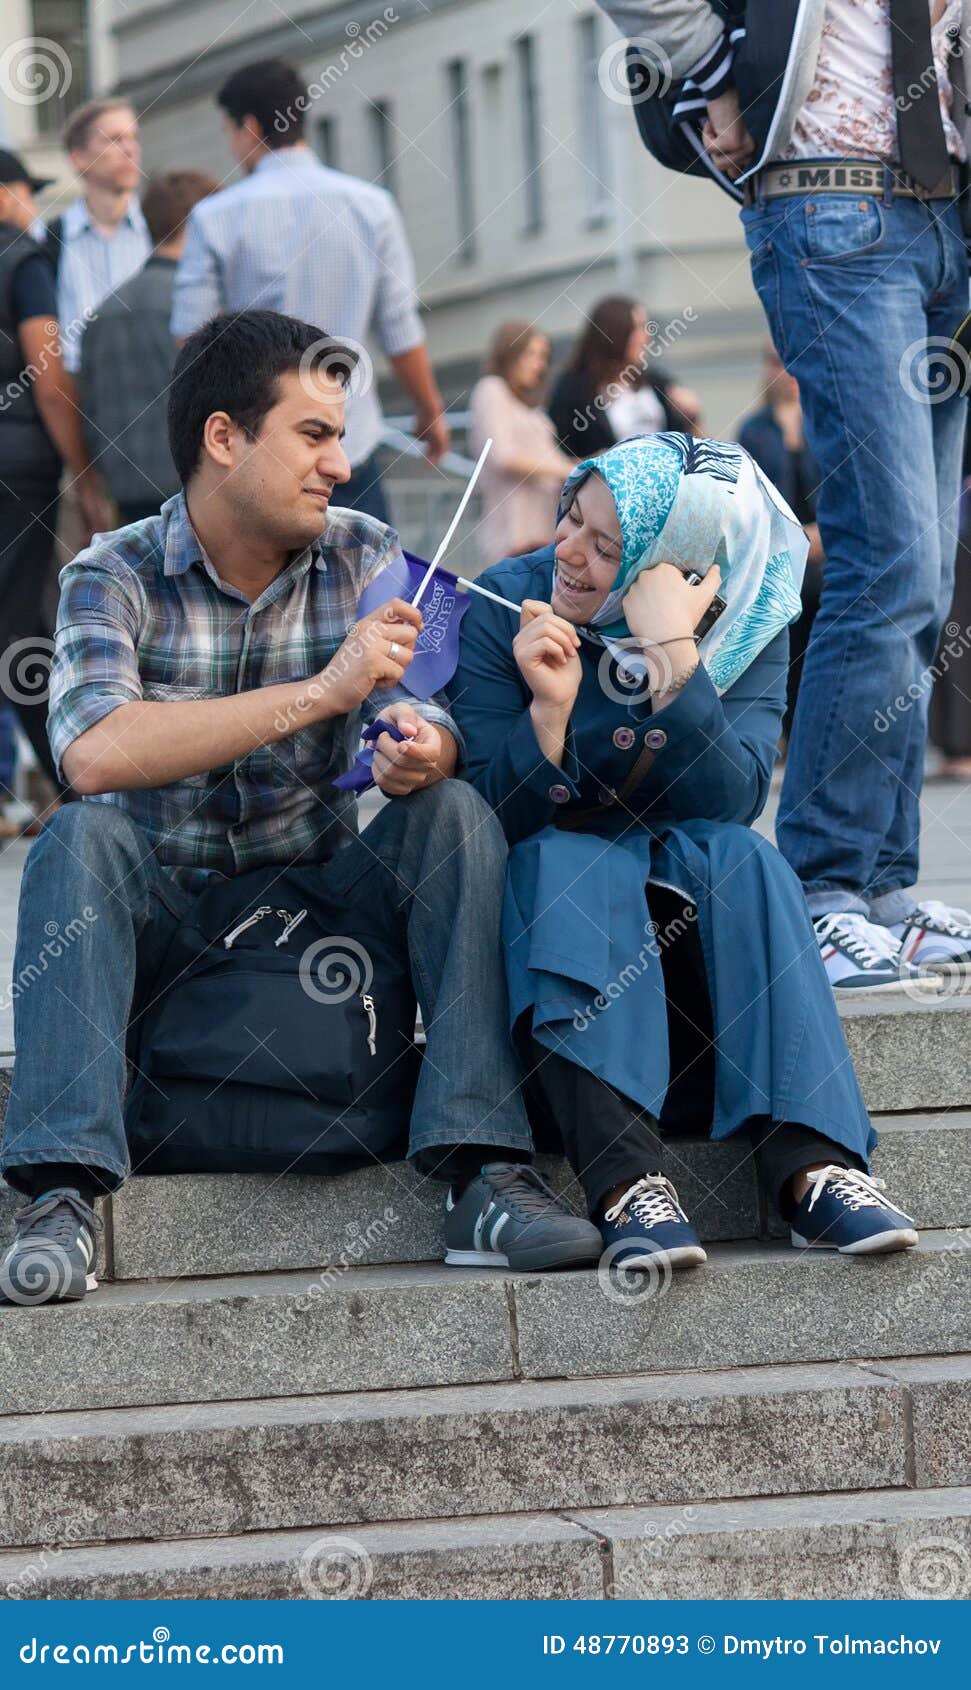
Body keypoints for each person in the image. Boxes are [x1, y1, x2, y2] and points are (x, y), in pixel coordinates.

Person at [0, 309, 601, 1306]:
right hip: (167, 920)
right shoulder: (111, 573)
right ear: (224, 437)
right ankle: (59, 1192)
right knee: (79, 838)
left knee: (450, 816)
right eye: (313, 435)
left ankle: (483, 1173)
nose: (339, 460)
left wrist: (423, 746)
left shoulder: (359, 548)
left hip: (320, 908)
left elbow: (412, 705)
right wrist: (322, 693)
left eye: (341, 434)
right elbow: (94, 752)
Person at [446, 435, 922, 1272]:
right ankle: (628, 1183)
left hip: (696, 1002)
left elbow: (732, 796)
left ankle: (814, 1166)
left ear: (682, 569)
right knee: (566, 858)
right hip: (557, 991)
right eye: (570, 519)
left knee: (744, 856)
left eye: (606, 546)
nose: (568, 553)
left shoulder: (741, 619)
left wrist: (674, 657)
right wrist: (547, 722)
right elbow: (486, 820)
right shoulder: (504, 602)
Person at [599, 1, 971, 989]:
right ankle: (821, 886)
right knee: (885, 557)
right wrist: (714, 72)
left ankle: (882, 886)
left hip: (946, 213)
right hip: (828, 202)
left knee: (924, 573)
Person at [171, 59, 450, 523]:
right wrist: (430, 409)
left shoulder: (215, 217)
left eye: (230, 133)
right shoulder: (372, 207)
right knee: (366, 586)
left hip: (257, 447)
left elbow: (190, 339)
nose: (232, 146)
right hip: (349, 443)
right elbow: (399, 326)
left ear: (251, 128)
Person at [0, 148, 110, 801]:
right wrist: (85, 470)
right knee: (22, 628)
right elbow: (48, 373)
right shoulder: (23, 258)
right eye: (23, 192)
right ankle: (75, 784)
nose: (30, 206)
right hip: (18, 474)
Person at [79, 170, 219, 524]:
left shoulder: (102, 312)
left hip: (127, 497)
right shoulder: (207, 308)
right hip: (200, 497)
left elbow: (89, 411)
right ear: (199, 222)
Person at [739, 343, 824, 739]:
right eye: (777, 361)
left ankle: (816, 729)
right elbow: (750, 500)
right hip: (780, 555)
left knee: (821, 641)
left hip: (826, 555)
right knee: (782, 644)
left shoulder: (823, 423)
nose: (787, 372)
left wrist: (822, 533)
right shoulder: (755, 430)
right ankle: (782, 733)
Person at [44, 100, 151, 375]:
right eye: (115, 140)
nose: (130, 149)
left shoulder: (162, 228)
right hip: (84, 395)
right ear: (78, 158)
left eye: (133, 138)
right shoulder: (49, 240)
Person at [469, 322, 575, 564]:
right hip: (513, 533)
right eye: (530, 354)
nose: (539, 364)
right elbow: (503, 456)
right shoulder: (491, 390)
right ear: (509, 354)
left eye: (543, 357)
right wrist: (567, 469)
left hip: (543, 532)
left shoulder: (533, 410)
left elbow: (554, 461)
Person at [548, 295, 700, 460]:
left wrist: (692, 416)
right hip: (605, 484)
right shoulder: (574, 388)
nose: (646, 336)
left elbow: (691, 446)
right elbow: (560, 454)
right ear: (614, 332)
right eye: (638, 328)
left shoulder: (656, 382)